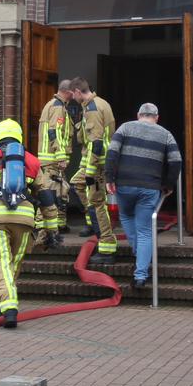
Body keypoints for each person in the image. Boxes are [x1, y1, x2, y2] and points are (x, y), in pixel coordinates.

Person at [0, 119, 59, 328]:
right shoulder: (32, 161)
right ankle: (4, 300)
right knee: (13, 263)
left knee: (1, 262)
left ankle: (9, 306)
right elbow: (46, 196)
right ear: (19, 137)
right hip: (24, 220)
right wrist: (51, 227)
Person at [106, 103, 181, 292]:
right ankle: (140, 276)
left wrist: (109, 178)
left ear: (139, 115)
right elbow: (176, 161)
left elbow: (112, 153)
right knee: (146, 231)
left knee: (126, 217)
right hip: (150, 187)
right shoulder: (165, 134)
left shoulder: (125, 128)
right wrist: (168, 185)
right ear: (157, 117)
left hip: (125, 184)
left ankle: (140, 255)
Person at [68, 79, 118, 264]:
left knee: (98, 203)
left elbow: (96, 144)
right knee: (77, 184)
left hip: (96, 165)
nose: (73, 98)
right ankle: (92, 221)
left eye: (73, 95)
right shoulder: (98, 104)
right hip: (96, 163)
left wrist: (89, 173)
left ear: (77, 91)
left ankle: (106, 246)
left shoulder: (93, 109)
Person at [34, 79, 76, 249]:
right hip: (52, 160)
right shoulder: (58, 107)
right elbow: (55, 131)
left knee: (59, 192)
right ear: (69, 92)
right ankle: (42, 234)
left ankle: (55, 228)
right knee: (49, 195)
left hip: (49, 159)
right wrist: (60, 156)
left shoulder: (53, 105)